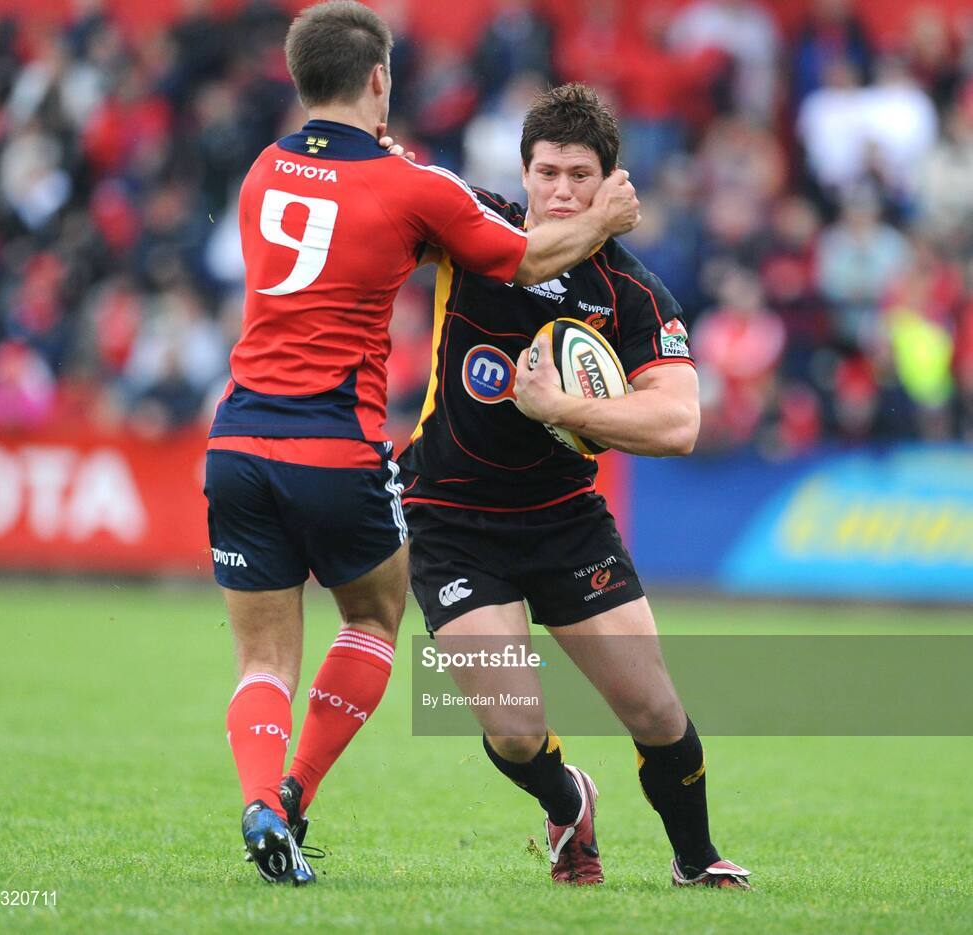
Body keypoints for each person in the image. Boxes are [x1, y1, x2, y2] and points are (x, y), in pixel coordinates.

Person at [203, 1, 639, 886]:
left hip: (237, 438)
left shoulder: (261, 171)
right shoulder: (413, 183)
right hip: (334, 444)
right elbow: (520, 259)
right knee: (370, 617)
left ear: (299, 79)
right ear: (379, 79)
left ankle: (259, 799)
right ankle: (295, 794)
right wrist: (601, 221)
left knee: (260, 659)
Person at [399, 83, 751, 888]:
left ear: (611, 182)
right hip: (452, 517)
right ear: (522, 174)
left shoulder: (631, 293)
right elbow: (387, 193)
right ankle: (568, 801)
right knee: (518, 730)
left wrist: (563, 407)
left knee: (657, 712)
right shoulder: (473, 230)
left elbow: (678, 424)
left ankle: (695, 859)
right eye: (547, 172)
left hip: (564, 522)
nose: (561, 189)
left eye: (581, 176)